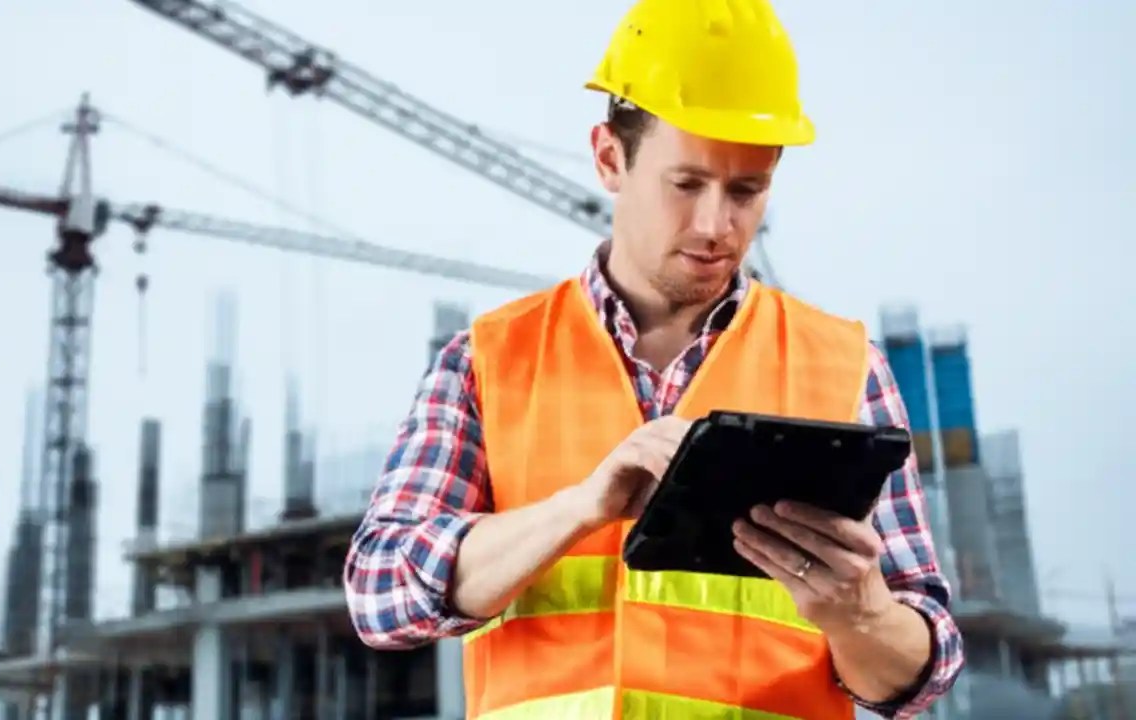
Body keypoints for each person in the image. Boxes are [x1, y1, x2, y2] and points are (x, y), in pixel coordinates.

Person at [344, 0, 965, 717]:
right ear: (611, 157)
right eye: (686, 184)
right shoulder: (486, 360)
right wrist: (581, 507)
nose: (715, 226)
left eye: (746, 191)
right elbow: (380, 594)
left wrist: (860, 614)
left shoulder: (846, 364)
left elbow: (925, 668)